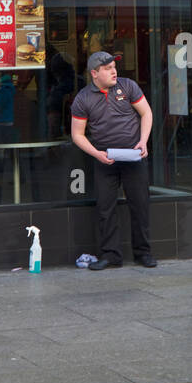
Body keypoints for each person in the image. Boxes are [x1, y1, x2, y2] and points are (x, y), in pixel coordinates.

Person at [70, 52, 155, 270]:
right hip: (104, 159)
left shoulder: (128, 86)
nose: (114, 71)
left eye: (114, 66)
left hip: (134, 156)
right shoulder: (83, 98)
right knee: (105, 208)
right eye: (107, 68)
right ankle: (110, 255)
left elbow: (146, 113)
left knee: (140, 206)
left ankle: (143, 254)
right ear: (94, 73)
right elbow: (77, 134)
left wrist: (143, 142)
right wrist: (96, 154)